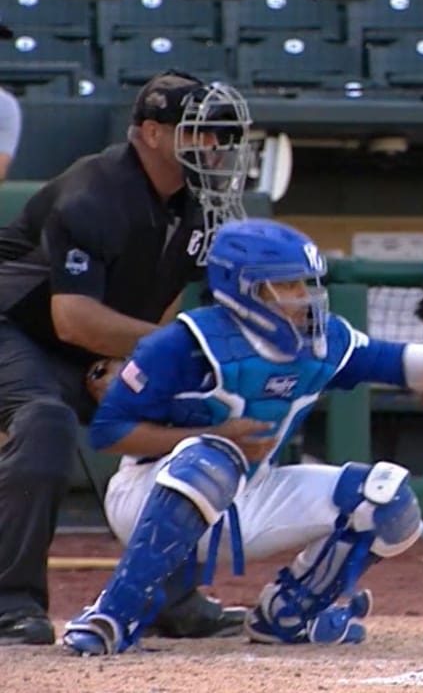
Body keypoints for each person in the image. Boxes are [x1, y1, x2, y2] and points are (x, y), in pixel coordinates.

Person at [59, 219, 423, 655]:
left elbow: (389, 359)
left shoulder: (320, 341)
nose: (302, 298)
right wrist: (213, 433)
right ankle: (113, 613)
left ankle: (289, 614)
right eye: (284, 286)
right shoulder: (183, 344)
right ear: (242, 289)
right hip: (150, 494)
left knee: (387, 500)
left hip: (252, 494)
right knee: (212, 458)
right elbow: (110, 434)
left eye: (304, 283)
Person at [0, 71, 253, 646]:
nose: (214, 149)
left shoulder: (197, 204)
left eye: (219, 137)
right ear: (152, 134)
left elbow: (160, 301)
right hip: (15, 328)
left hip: (80, 343)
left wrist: (123, 367)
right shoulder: (94, 192)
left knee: (178, 418)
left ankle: (168, 595)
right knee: (45, 420)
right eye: (200, 135)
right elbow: (72, 318)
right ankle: (11, 604)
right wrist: (159, 352)